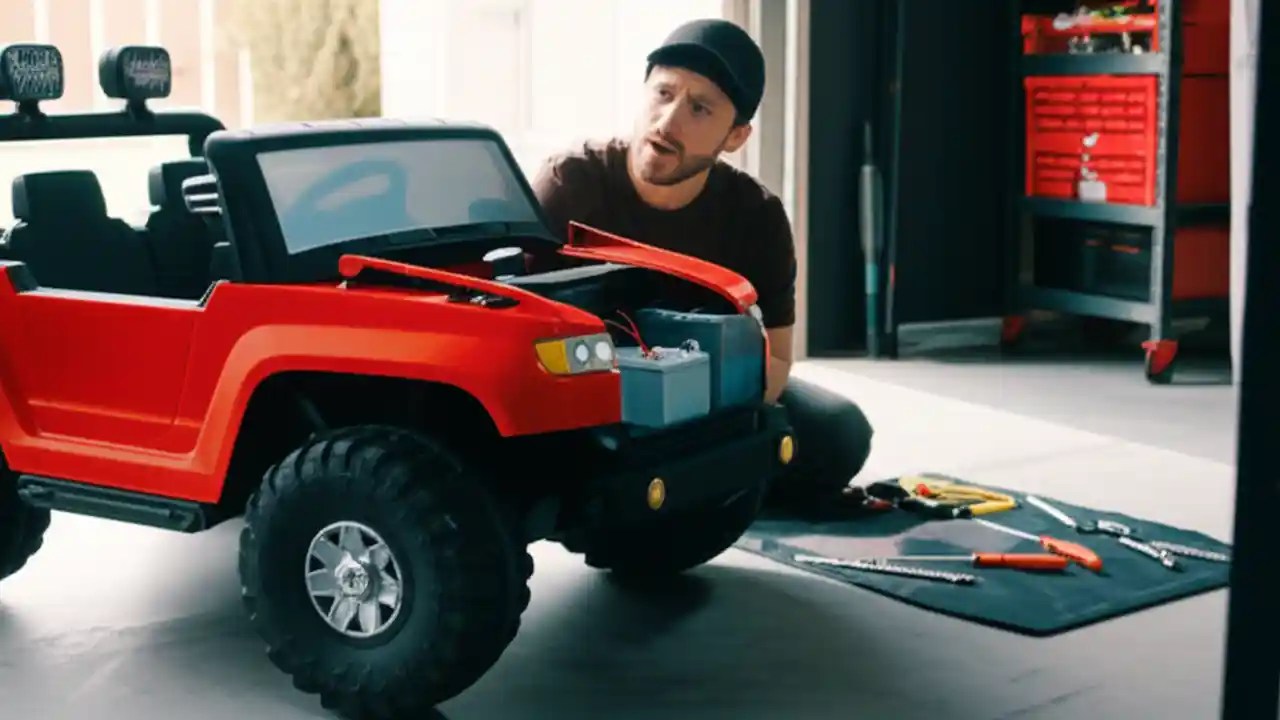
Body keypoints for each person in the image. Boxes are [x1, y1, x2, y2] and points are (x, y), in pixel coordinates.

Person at [530, 18, 874, 512]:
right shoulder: (571, 185)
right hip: (590, 392)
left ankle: (716, 489)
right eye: (663, 93)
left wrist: (703, 428)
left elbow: (776, 360)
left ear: (735, 136)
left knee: (839, 432)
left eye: (699, 108)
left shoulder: (757, 217)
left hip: (711, 395)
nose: (668, 122)